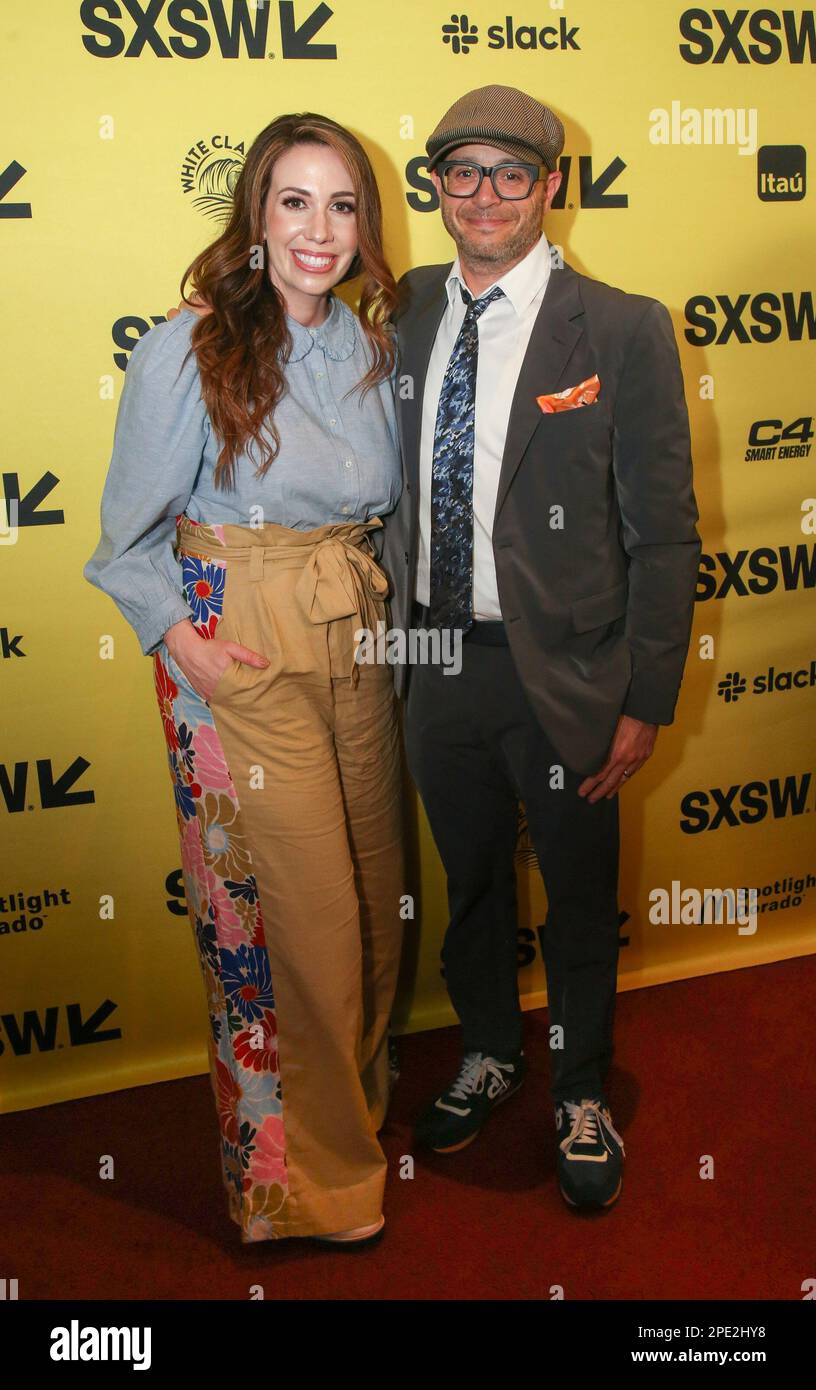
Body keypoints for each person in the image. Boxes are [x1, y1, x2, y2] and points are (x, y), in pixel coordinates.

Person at [84, 113, 405, 1246]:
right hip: (241, 640)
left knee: (370, 895)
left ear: (365, 223)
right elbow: (125, 539)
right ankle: (301, 1183)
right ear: (255, 218)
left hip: (352, 630)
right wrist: (186, 640)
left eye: (343, 204)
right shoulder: (192, 344)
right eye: (294, 201)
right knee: (297, 921)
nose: (320, 229)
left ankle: (352, 1115)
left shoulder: (373, 349)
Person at [382, 85, 701, 1209]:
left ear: (550, 188)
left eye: (511, 174)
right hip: (432, 664)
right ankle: (487, 1049)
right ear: (437, 187)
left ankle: (578, 1085)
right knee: (467, 883)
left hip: (566, 674)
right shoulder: (402, 309)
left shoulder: (619, 326)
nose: (484, 195)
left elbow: (665, 533)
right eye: (462, 172)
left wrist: (646, 694)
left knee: (574, 892)